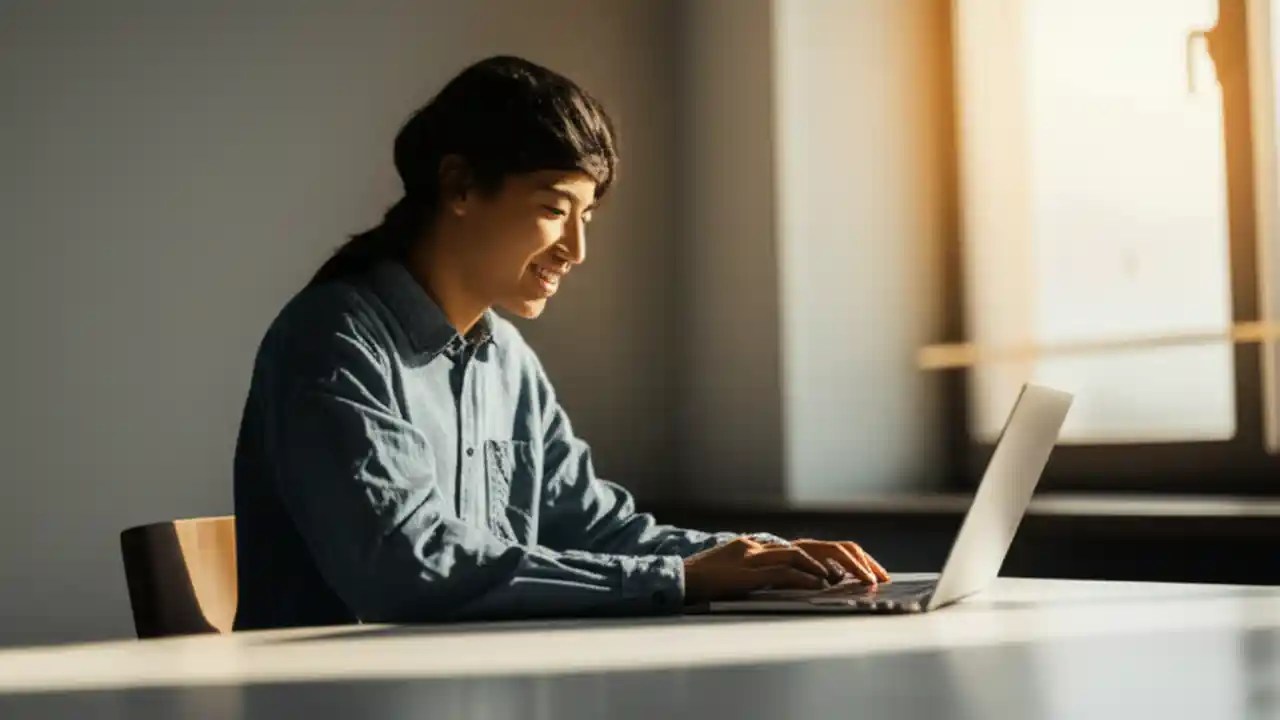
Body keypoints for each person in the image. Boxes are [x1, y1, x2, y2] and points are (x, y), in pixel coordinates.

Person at [232, 55, 889, 631]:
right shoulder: (334, 341)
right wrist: (687, 579)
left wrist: (761, 557)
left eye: (588, 216)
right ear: (459, 185)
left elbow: (595, 527)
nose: (576, 250)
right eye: (553, 209)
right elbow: (408, 568)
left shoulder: (507, 361)